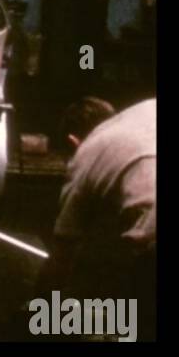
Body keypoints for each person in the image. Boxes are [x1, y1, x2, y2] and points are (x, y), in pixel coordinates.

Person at [39, 97, 156, 339]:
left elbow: (63, 253)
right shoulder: (142, 113)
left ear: (73, 141)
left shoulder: (89, 150)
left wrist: (43, 307)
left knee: (111, 324)